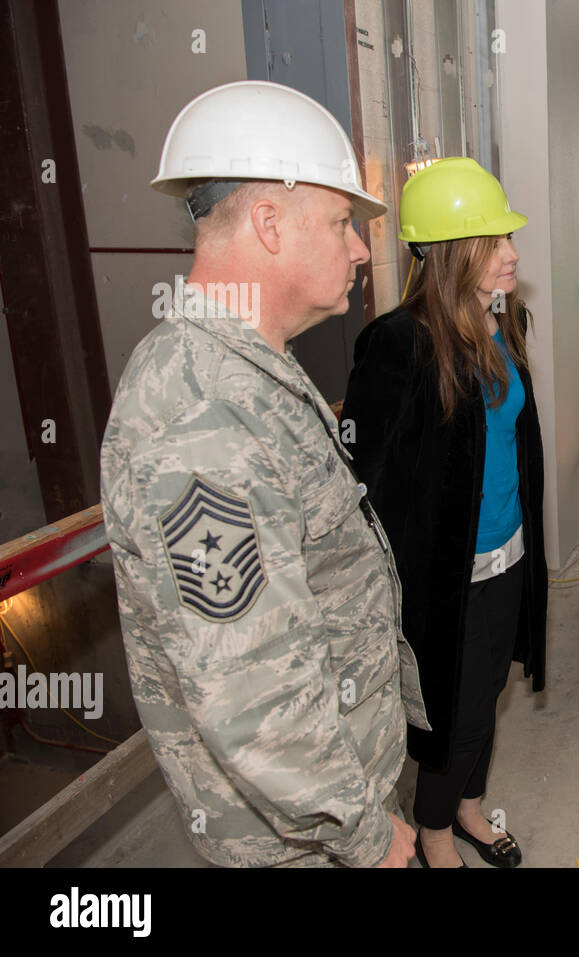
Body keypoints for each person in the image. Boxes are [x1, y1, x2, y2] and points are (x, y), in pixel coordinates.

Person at [100, 80, 428, 867]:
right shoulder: (199, 411)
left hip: (335, 791)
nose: (360, 248)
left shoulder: (251, 370)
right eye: (343, 222)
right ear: (270, 223)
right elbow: (254, 696)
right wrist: (366, 831)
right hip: (304, 836)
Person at [341, 157, 547, 869]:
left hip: (510, 554)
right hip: (444, 578)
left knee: (489, 694)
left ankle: (466, 806)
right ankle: (432, 831)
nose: (512, 253)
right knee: (452, 715)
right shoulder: (398, 345)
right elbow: (368, 484)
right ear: (454, 254)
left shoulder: (504, 321)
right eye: (494, 241)